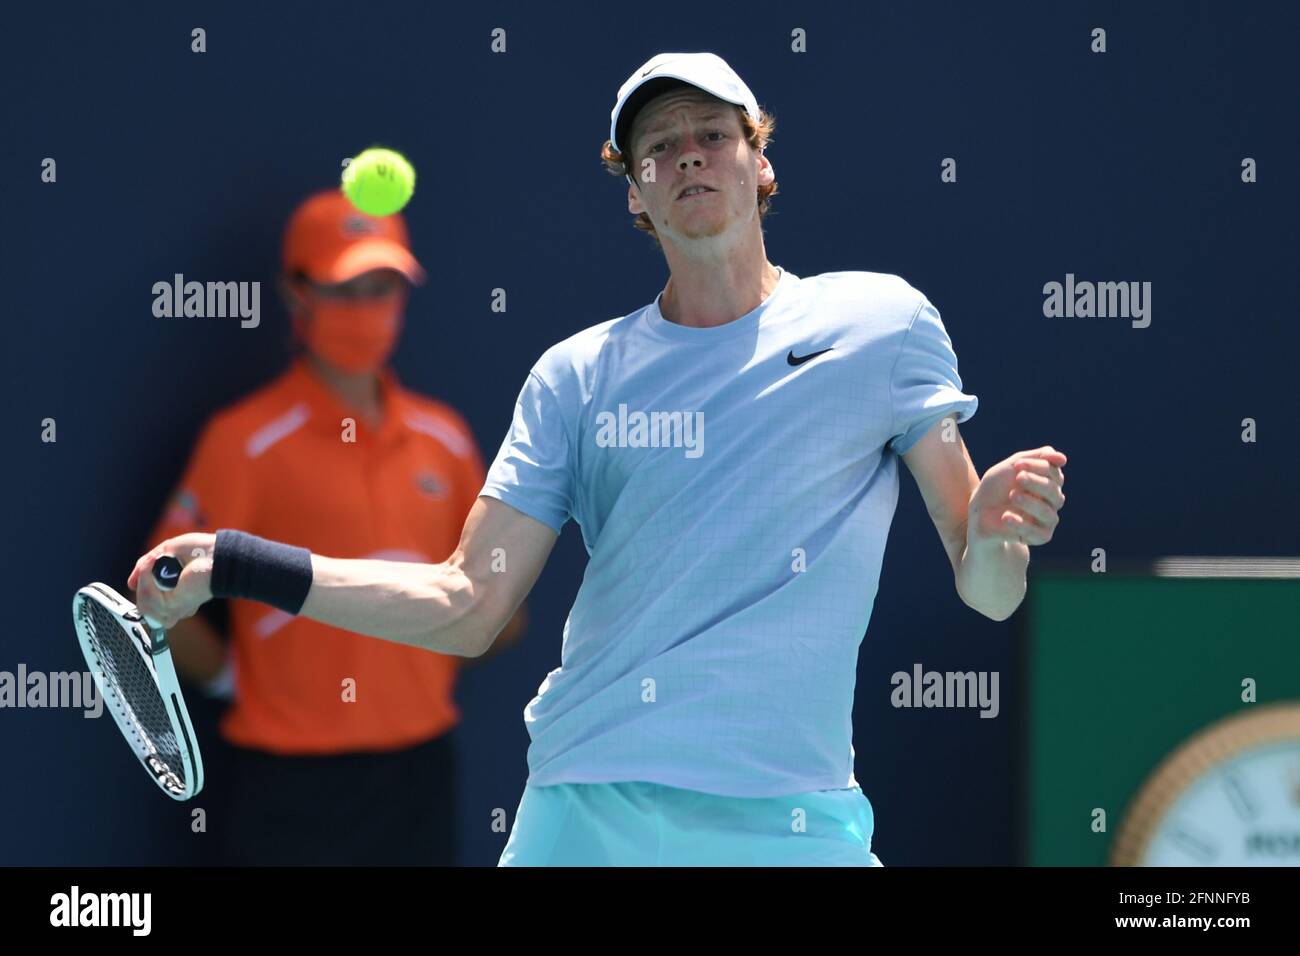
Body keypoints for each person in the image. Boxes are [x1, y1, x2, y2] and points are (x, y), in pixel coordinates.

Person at [131, 53, 1066, 866]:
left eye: (713, 132)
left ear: (760, 161)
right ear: (634, 189)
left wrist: (992, 535)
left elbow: (989, 588)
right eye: (659, 145)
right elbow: (468, 606)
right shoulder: (576, 378)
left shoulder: (882, 326)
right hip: (591, 802)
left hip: (795, 816)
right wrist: (244, 563)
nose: (688, 153)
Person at [141, 189, 525, 865]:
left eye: (384, 287)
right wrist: (233, 676)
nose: (368, 310)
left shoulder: (445, 437)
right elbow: (157, 591)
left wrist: (432, 643)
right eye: (347, 288)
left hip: (417, 779)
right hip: (285, 787)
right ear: (296, 294)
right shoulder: (243, 441)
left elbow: (500, 602)